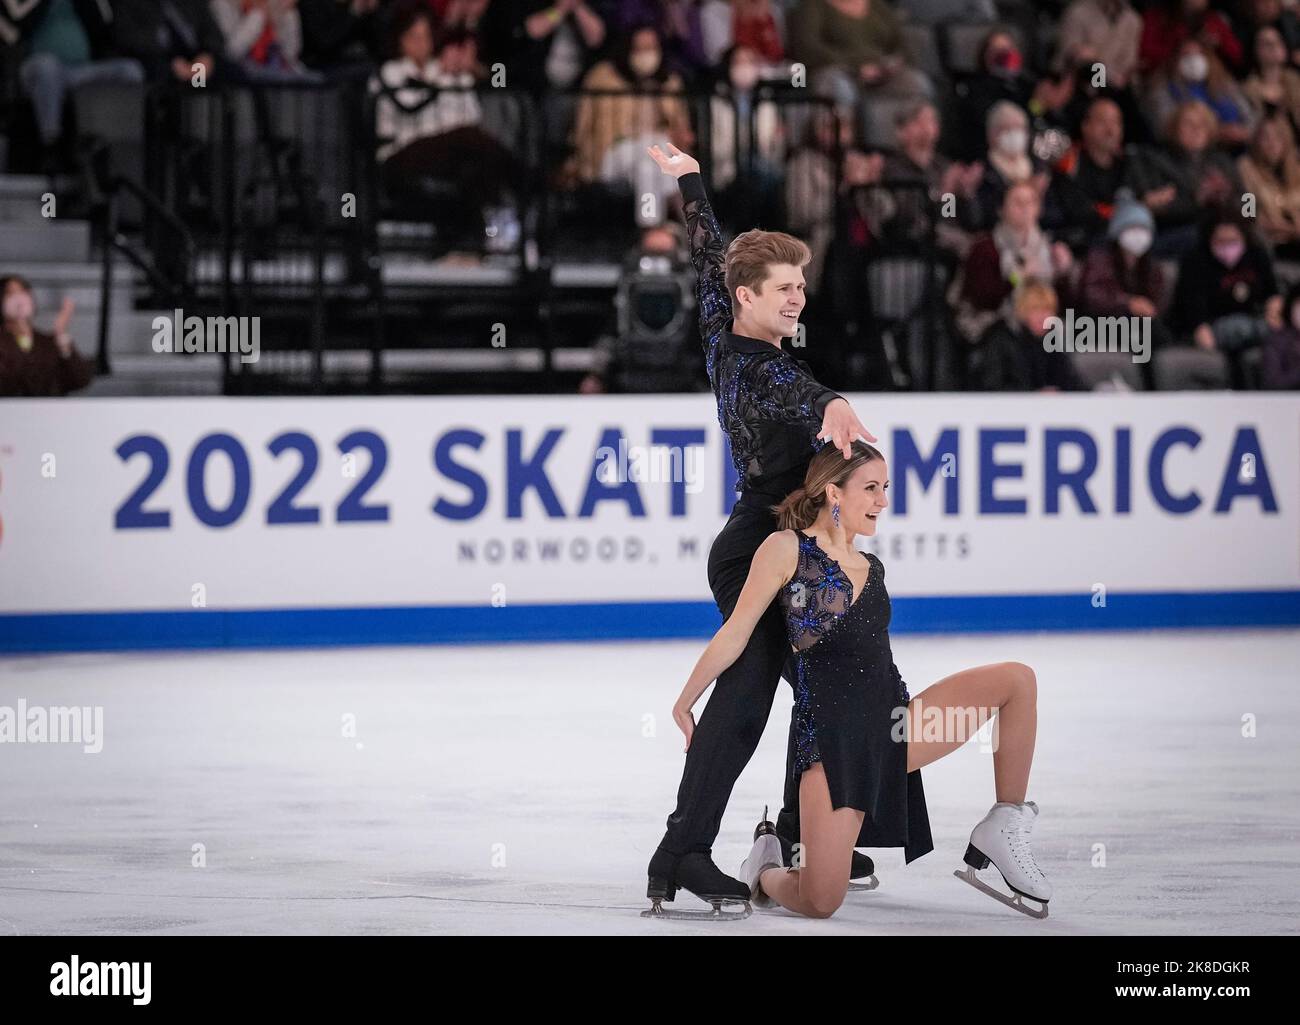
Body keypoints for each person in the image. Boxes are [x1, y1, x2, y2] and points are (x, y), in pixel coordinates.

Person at [642, 141, 878, 916]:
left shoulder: (722, 326)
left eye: (802, 285)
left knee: (819, 685)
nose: (798, 297)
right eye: (784, 287)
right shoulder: (762, 369)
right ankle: (689, 849)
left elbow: (710, 254)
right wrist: (833, 405)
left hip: (773, 547)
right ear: (748, 297)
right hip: (758, 553)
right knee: (761, 695)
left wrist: (688, 180)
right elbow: (801, 389)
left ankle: (789, 837)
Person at [672, 440, 1050, 919]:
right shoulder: (785, 549)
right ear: (833, 492)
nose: (882, 501)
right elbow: (736, 632)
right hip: (833, 749)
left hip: (896, 728)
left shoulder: (872, 566)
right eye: (870, 488)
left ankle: (1005, 821)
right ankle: (765, 864)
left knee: (1017, 680)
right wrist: (687, 700)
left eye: (885, 488)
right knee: (820, 901)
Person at [0, 275, 94, 396]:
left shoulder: (48, 342)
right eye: (10, 293)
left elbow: (80, 380)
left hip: (48, 412)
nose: (19, 298)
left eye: (23, 292)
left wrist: (61, 334)